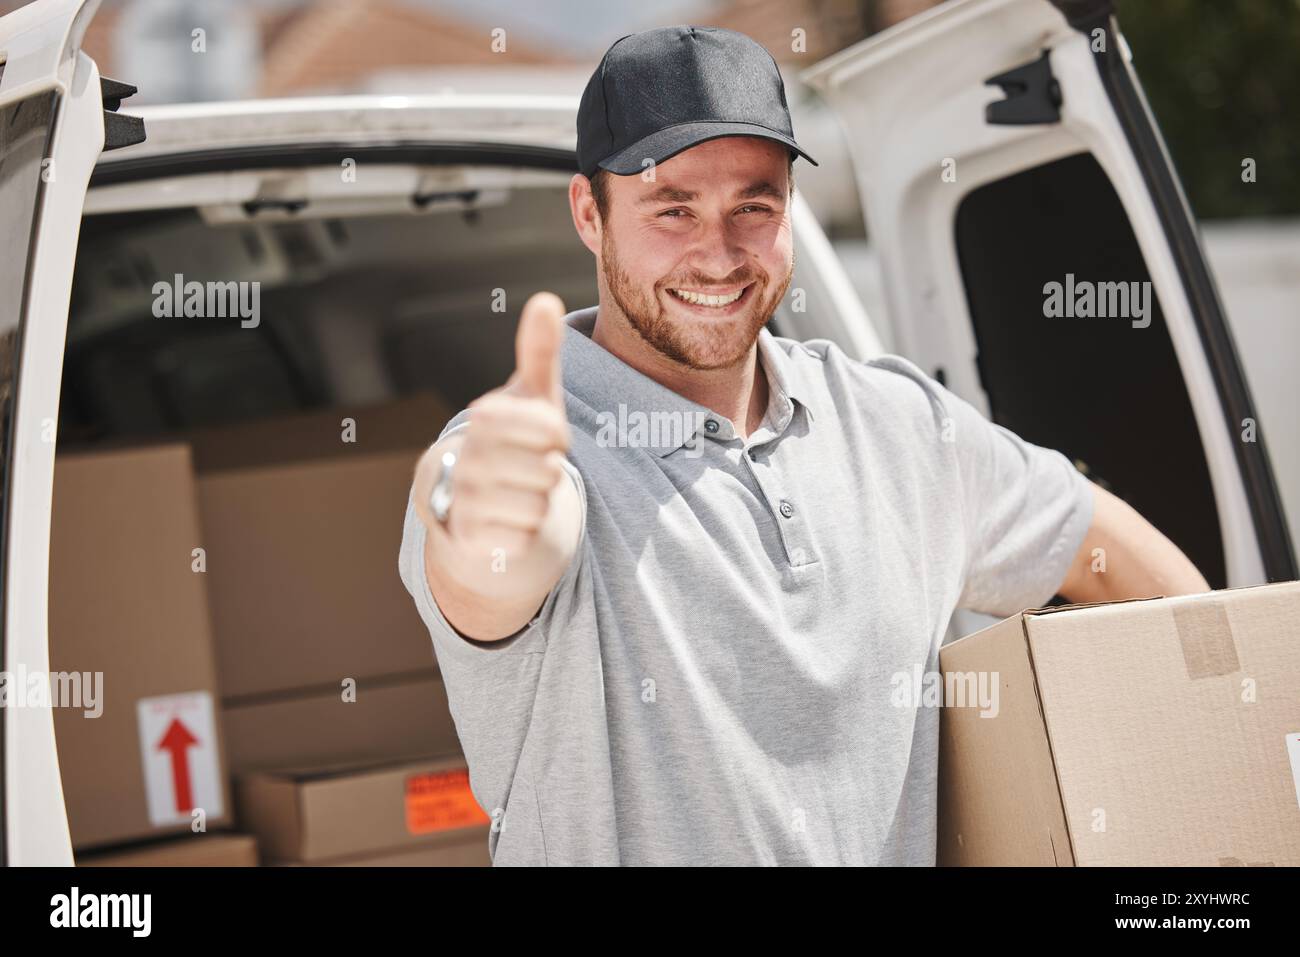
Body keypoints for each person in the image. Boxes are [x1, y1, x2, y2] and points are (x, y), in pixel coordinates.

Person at [398, 25, 1209, 865]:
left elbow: (1107, 550)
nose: (718, 255)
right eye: (671, 207)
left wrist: (1237, 718)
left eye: (755, 205)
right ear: (588, 214)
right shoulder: (539, 464)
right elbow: (488, 562)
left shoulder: (897, 427)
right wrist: (487, 518)